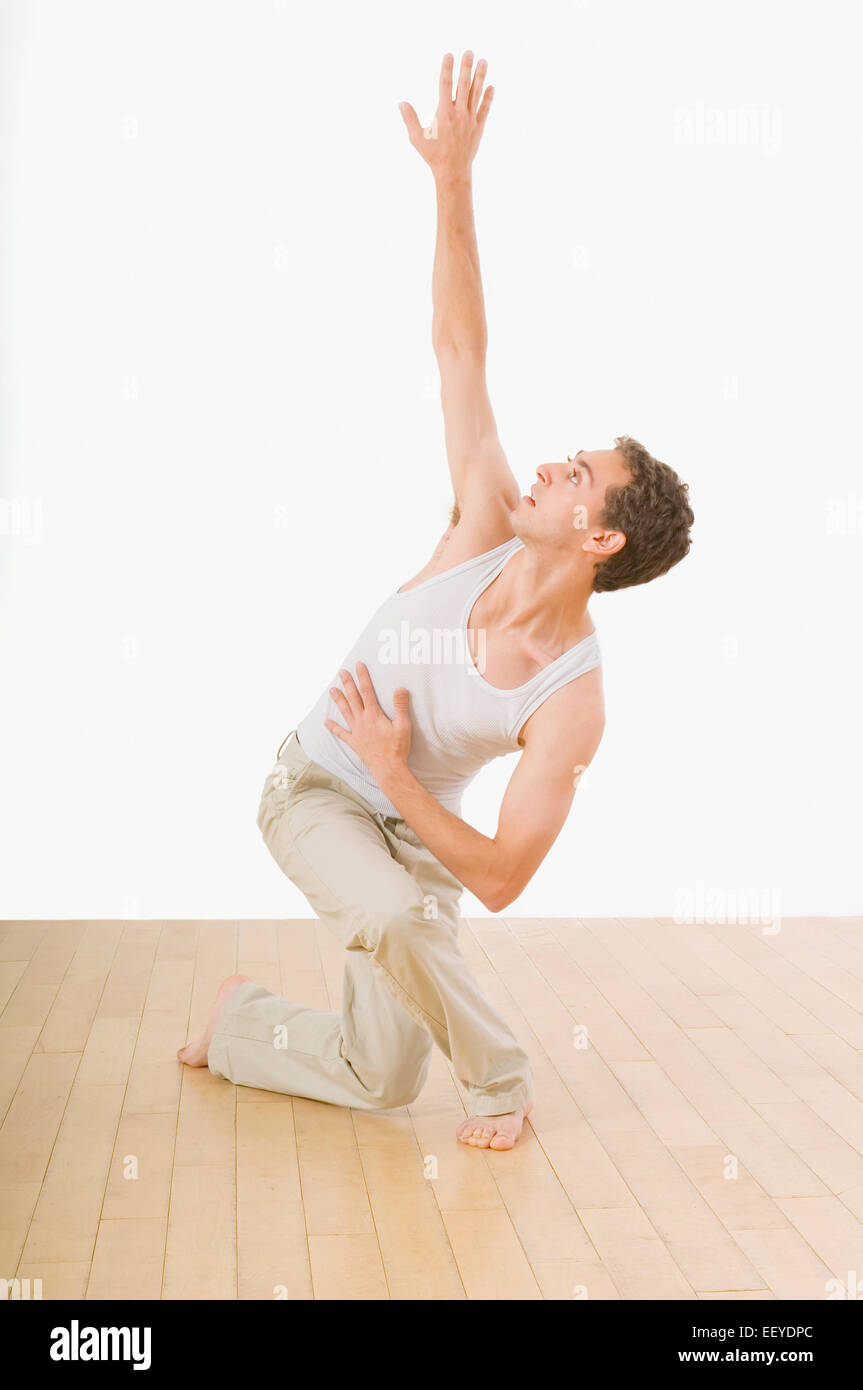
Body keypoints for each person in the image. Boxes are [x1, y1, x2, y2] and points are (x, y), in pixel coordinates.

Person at [178, 51, 694, 1151]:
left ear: (598, 537)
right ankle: (501, 1082)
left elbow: (502, 878)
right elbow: (460, 347)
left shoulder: (572, 698)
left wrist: (404, 772)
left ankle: (238, 1025)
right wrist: (450, 180)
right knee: (400, 921)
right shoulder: (482, 519)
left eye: (577, 473)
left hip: (411, 830)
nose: (552, 464)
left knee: (377, 1075)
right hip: (315, 786)